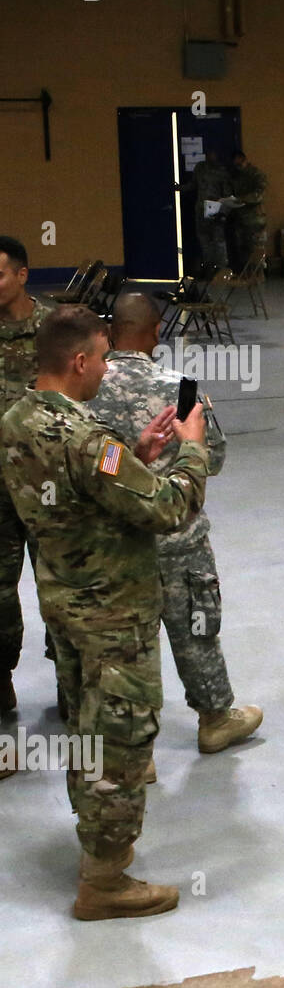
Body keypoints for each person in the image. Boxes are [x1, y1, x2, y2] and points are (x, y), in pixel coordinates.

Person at [0, 305, 209, 919]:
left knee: (85, 730)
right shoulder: (84, 438)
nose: (106, 371)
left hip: (64, 606)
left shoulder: (17, 419)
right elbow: (169, 510)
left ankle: (92, 842)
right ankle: (105, 881)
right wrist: (189, 450)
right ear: (80, 361)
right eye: (101, 357)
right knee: (119, 740)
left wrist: (137, 453)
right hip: (114, 616)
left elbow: (74, 496)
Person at [93, 292, 263, 757]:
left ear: (111, 333)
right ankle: (214, 719)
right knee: (195, 624)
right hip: (177, 535)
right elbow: (216, 456)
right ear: (155, 333)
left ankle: (134, 753)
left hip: (113, 539)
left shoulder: (86, 384)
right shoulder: (182, 386)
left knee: (124, 643)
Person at [0, 236, 53, 718]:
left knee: (60, 581)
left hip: (47, 483)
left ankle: (73, 678)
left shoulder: (54, 329)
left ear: (22, 275)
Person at [228, 150, 268, 273]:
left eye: (239, 165)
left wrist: (242, 199)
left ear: (244, 160)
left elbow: (259, 195)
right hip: (240, 219)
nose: (238, 168)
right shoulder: (236, 176)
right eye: (236, 166)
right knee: (243, 251)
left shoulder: (256, 174)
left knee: (256, 252)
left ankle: (258, 277)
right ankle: (246, 277)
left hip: (255, 220)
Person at [191, 149, 232, 271]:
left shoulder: (222, 171)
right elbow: (193, 184)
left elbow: (227, 195)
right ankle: (208, 267)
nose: (210, 156)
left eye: (213, 154)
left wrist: (224, 212)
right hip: (200, 209)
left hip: (215, 209)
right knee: (204, 239)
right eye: (208, 154)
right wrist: (179, 188)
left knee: (218, 240)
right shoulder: (200, 168)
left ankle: (221, 268)